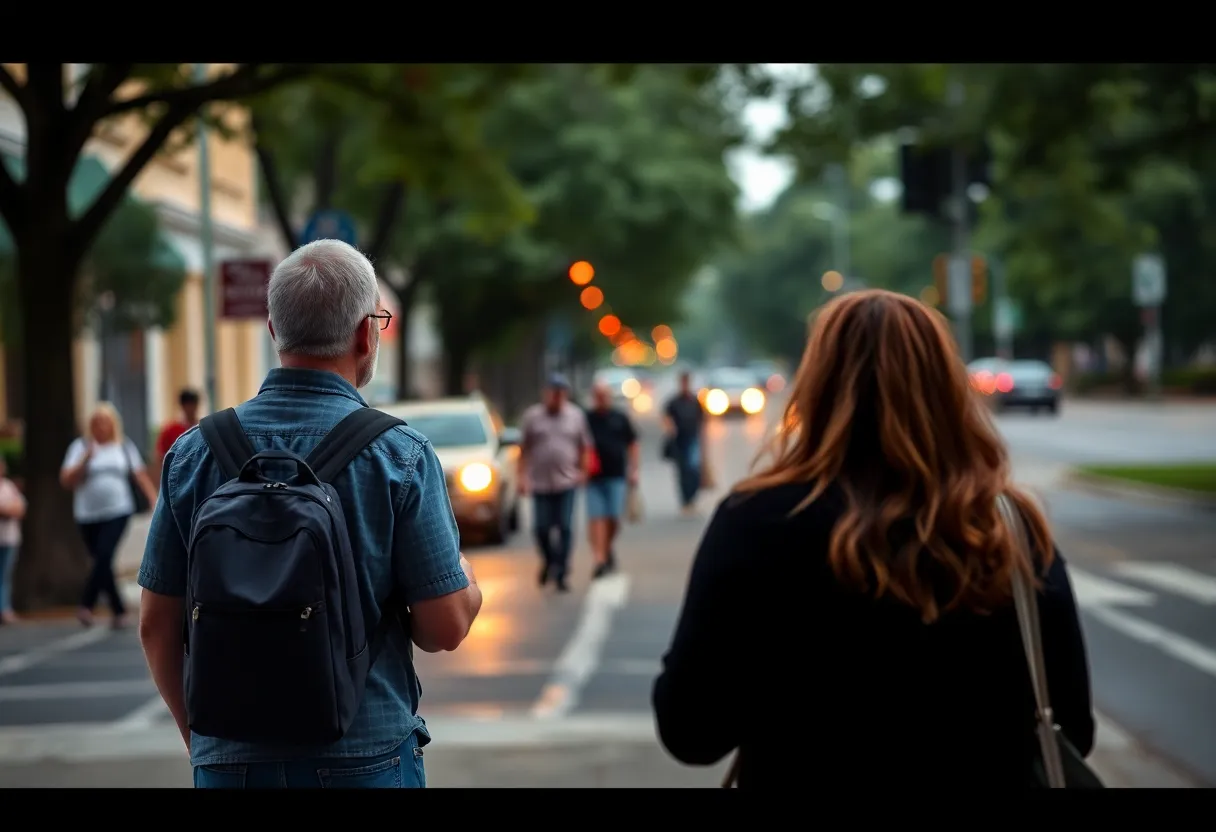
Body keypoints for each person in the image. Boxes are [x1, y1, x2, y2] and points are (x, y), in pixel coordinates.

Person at [652, 290, 1095, 789]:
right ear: (947, 390)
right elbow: (1072, 724)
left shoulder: (759, 520)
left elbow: (690, 730)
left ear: (816, 388)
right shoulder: (1006, 527)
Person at [138, 239, 483, 789]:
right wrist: (466, 576)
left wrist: (203, 744)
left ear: (273, 332)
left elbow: (157, 625)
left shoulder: (194, 452)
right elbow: (445, 627)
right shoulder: (400, 456)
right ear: (366, 334)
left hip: (229, 762)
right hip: (364, 755)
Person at [59, 402, 158, 629]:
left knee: (104, 554)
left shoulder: (122, 446)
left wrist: (155, 500)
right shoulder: (80, 447)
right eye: (96, 422)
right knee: (101, 563)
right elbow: (66, 480)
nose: (101, 427)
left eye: (105, 422)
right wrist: (84, 459)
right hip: (87, 514)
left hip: (118, 510)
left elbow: (139, 475)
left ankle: (86, 604)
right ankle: (118, 610)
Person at [518, 373, 593, 592]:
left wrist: (584, 472)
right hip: (540, 483)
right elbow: (524, 450)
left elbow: (584, 446)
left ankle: (561, 571)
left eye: (561, 393)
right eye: (553, 392)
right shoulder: (533, 417)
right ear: (546, 393)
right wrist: (522, 477)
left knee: (565, 527)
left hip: (566, 481)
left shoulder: (575, 416)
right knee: (541, 528)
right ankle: (550, 561)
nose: (557, 397)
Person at [584, 381, 639, 578]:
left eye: (604, 395)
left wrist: (634, 469)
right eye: (597, 395)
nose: (601, 399)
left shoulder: (620, 417)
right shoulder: (586, 419)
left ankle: (606, 548)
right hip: (593, 477)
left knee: (613, 517)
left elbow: (632, 443)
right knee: (597, 518)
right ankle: (599, 558)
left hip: (617, 475)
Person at [662, 371, 706, 516]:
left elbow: (702, 420)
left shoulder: (694, 401)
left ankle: (692, 497)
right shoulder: (674, 402)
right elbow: (666, 417)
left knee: (694, 470)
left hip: (692, 439)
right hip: (679, 441)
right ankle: (685, 501)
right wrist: (670, 429)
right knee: (682, 472)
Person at [0, 455, 25, 625]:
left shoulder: (8, 487)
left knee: (5, 576)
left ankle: (4, 609)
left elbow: (20, 508)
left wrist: (6, 510)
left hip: (8, 539)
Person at [155, 389, 201, 466]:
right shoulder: (170, 430)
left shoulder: (201, 428)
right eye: (187, 404)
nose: (191, 408)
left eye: (193, 404)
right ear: (182, 406)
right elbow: (160, 456)